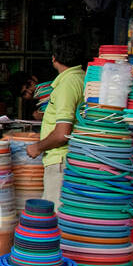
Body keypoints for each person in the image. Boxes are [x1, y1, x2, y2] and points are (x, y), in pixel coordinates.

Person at [25, 34, 87, 210]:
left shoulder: (67, 84)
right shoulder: (82, 78)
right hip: (73, 158)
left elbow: (62, 133)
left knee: (54, 219)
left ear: (54, 58)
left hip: (60, 160)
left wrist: (37, 147)